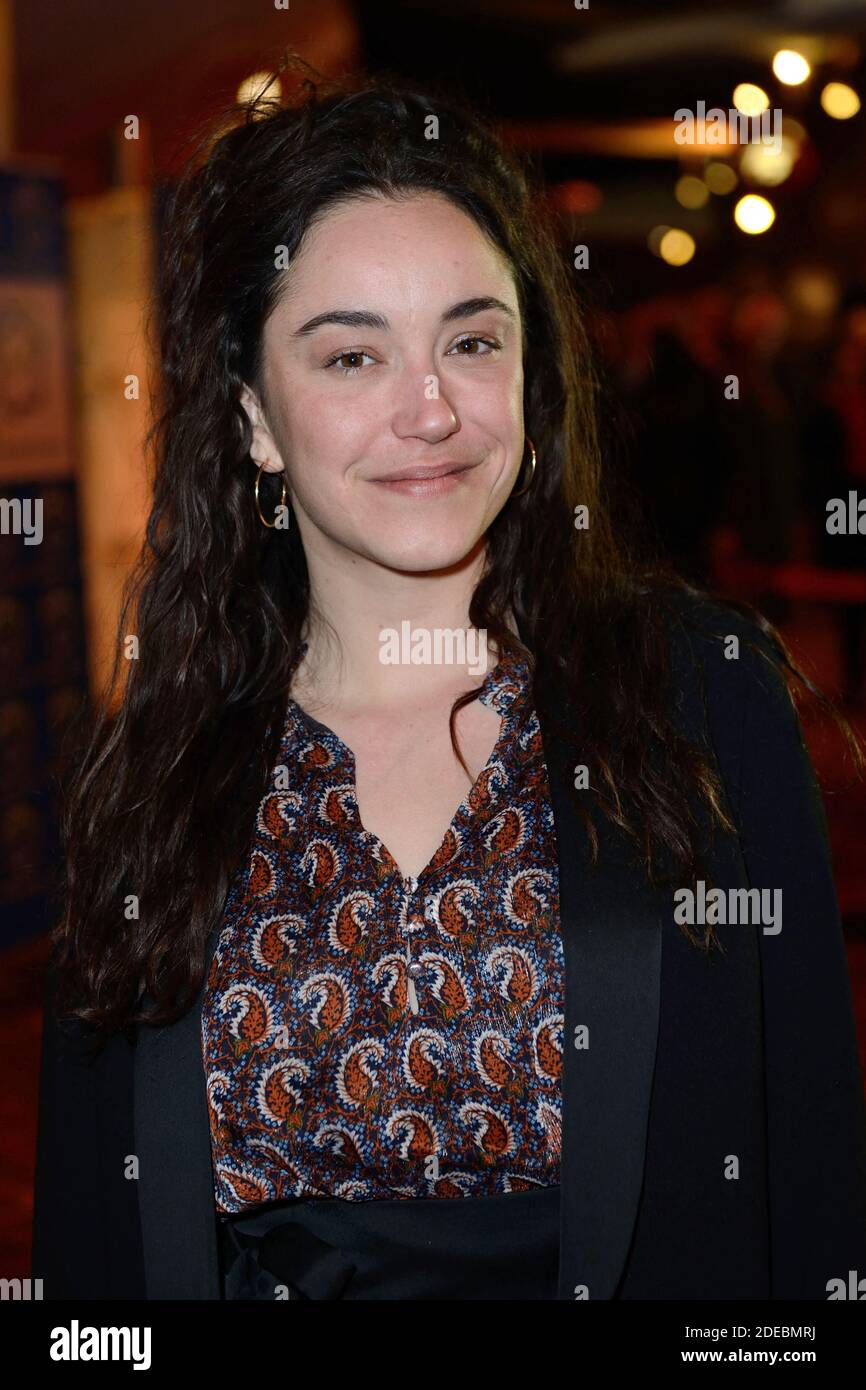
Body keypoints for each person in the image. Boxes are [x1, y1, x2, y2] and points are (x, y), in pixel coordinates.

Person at [32, 56, 866, 1301]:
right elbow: (94, 1251)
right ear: (254, 413)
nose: (428, 409)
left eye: (469, 340)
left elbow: (806, 1185)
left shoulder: (701, 698)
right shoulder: (159, 760)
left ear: (529, 372)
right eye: (350, 357)